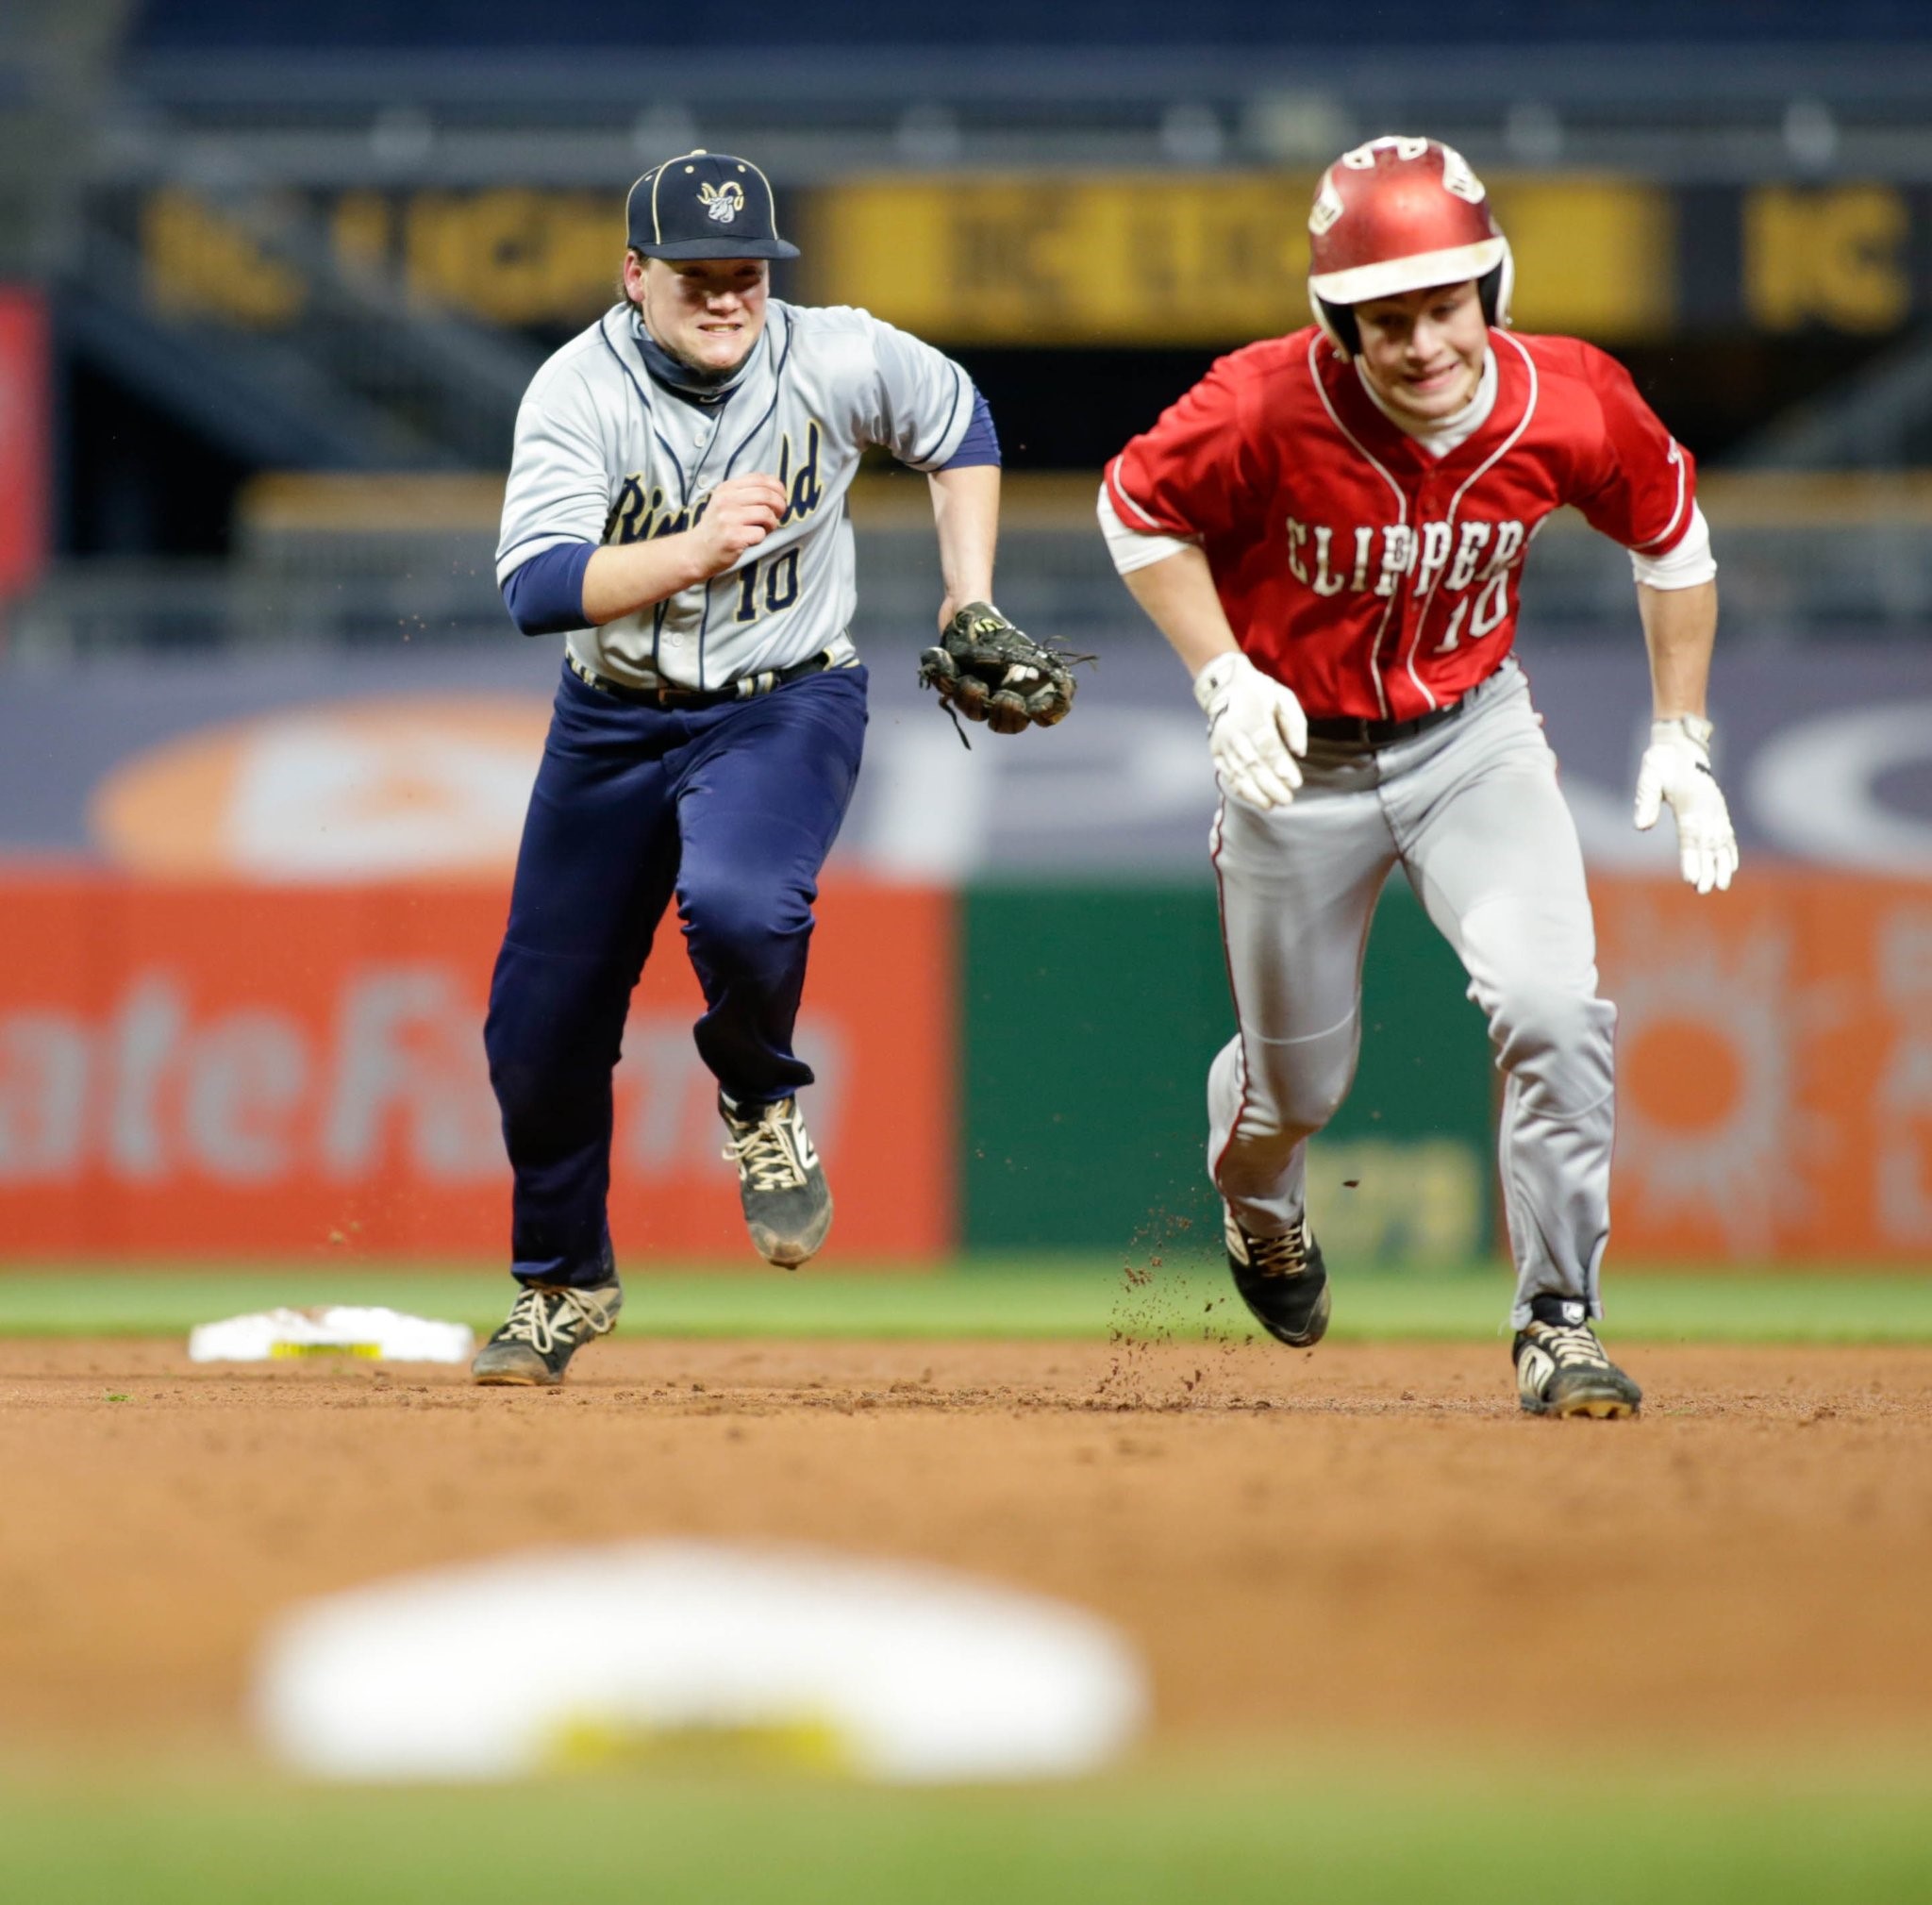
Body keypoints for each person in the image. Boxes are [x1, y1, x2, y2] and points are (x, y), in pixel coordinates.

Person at [1099, 135, 1739, 1419]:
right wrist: (1224, 675)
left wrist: (1683, 735)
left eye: (1444, 305)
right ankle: (1262, 1207)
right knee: (1295, 1093)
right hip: (1298, 767)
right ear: (1340, 323)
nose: (1421, 342)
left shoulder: (1570, 399)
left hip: (1472, 737)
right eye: (1385, 317)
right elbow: (1135, 509)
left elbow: (1674, 543)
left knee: (1554, 1010)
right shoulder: (1263, 401)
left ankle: (1559, 1320)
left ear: (1490, 293)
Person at [473, 149, 1005, 1385]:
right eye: (699, 275)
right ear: (635, 276)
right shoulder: (575, 391)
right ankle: (564, 1282)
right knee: (533, 1032)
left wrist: (968, 599)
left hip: (785, 701)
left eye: (748, 275)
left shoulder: (837, 353)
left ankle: (758, 1096)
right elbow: (536, 586)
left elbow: (960, 420)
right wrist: (694, 551)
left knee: (743, 905)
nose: (727, 297)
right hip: (610, 720)